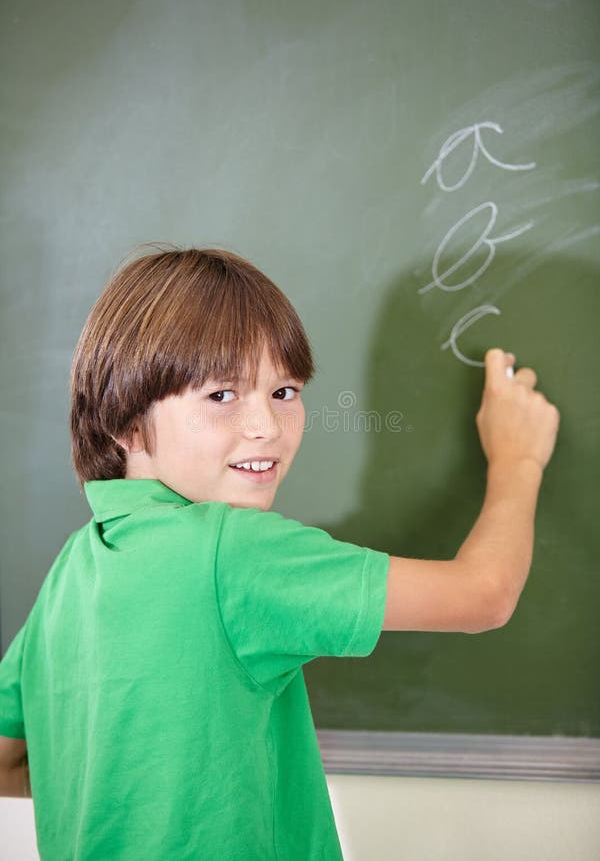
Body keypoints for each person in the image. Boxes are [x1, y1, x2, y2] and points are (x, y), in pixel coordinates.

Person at [0, 246, 559, 860]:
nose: (266, 424)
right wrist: (518, 459)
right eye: (222, 396)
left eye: (285, 391)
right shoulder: (234, 552)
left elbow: (6, 763)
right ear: (125, 420)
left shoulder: (70, 575)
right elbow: (484, 594)